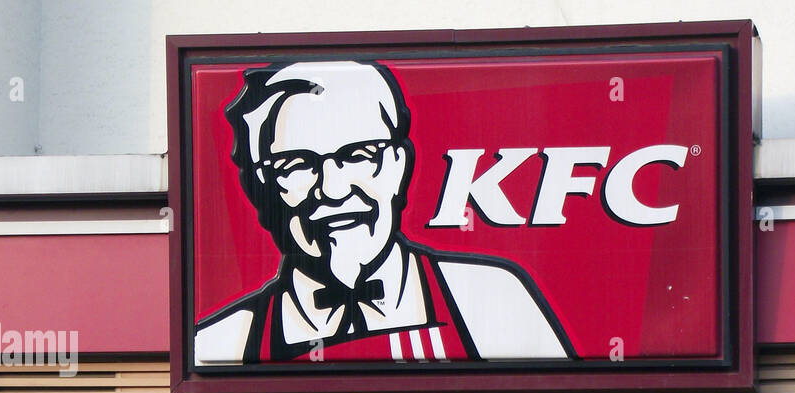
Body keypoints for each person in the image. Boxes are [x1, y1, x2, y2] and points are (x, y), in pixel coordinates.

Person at [195, 60, 575, 366]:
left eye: (358, 156)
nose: (333, 189)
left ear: (397, 165)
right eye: (296, 165)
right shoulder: (222, 343)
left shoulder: (489, 299)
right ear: (259, 187)